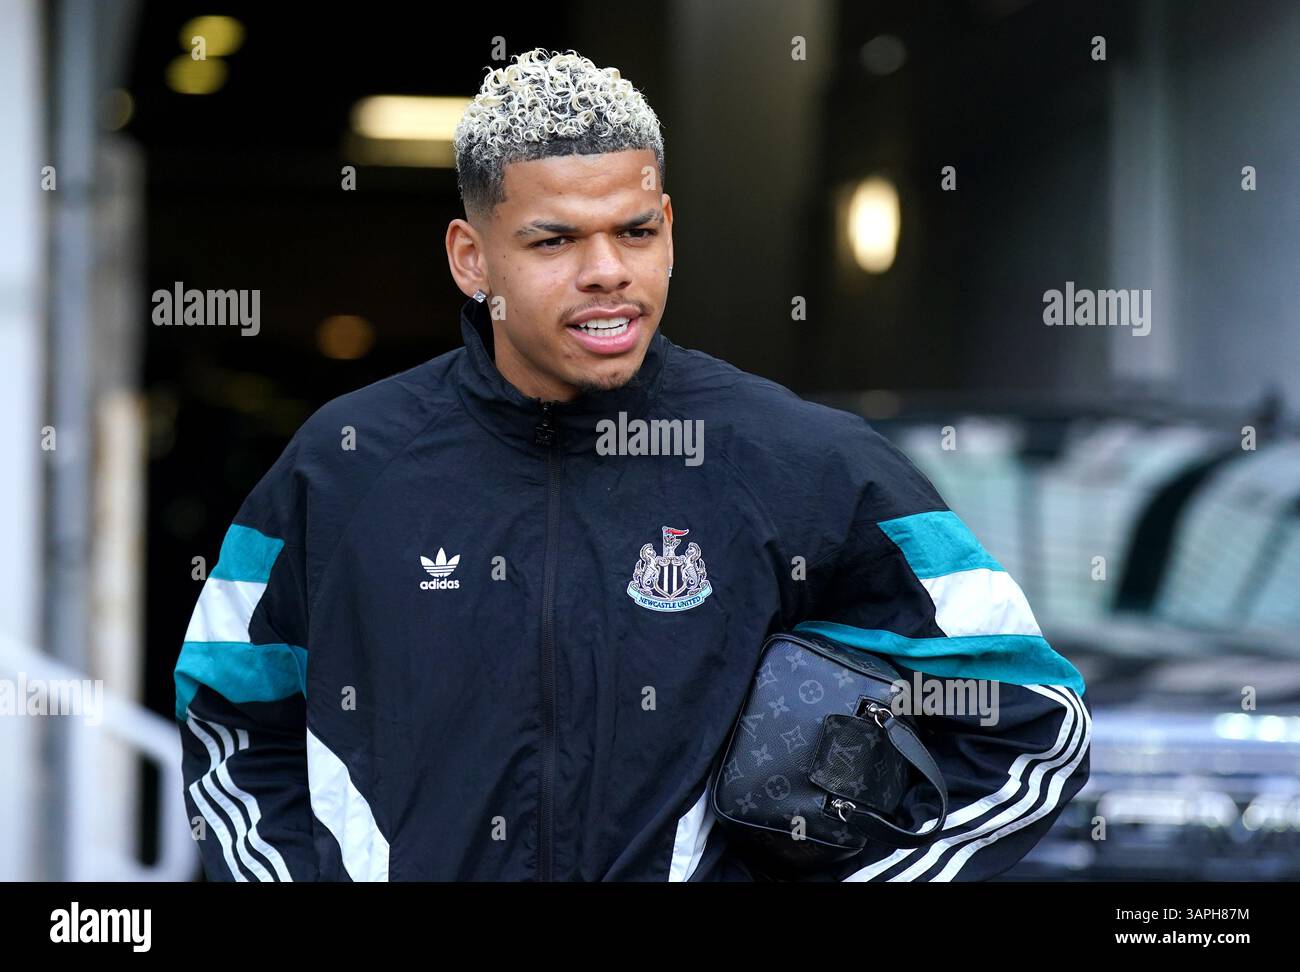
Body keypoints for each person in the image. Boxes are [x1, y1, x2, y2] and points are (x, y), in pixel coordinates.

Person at [173, 47, 1090, 882]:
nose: (607, 270)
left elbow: (1027, 713)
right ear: (470, 258)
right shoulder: (344, 465)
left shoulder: (803, 462)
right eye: (554, 240)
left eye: (635, 232)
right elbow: (230, 709)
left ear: (671, 231)